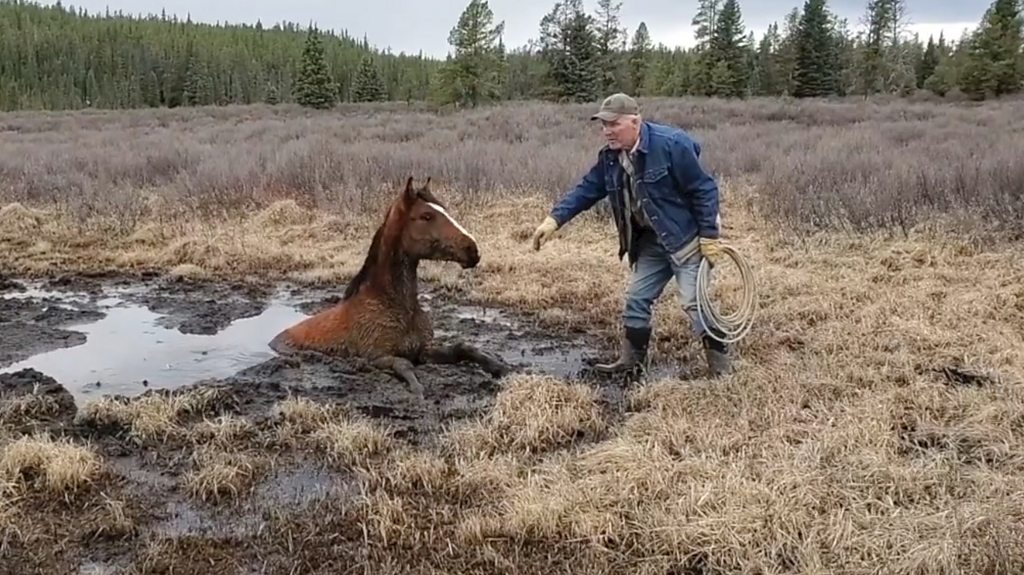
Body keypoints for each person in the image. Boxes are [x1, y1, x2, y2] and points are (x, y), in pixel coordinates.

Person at [530, 92, 733, 378]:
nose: (607, 131)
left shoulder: (672, 144)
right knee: (637, 298)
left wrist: (709, 235)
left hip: (686, 241)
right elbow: (587, 189)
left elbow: (704, 189)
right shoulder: (610, 158)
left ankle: (720, 369)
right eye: (603, 125)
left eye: (614, 124)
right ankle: (631, 363)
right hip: (649, 242)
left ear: (635, 122)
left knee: (693, 301)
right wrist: (554, 220)